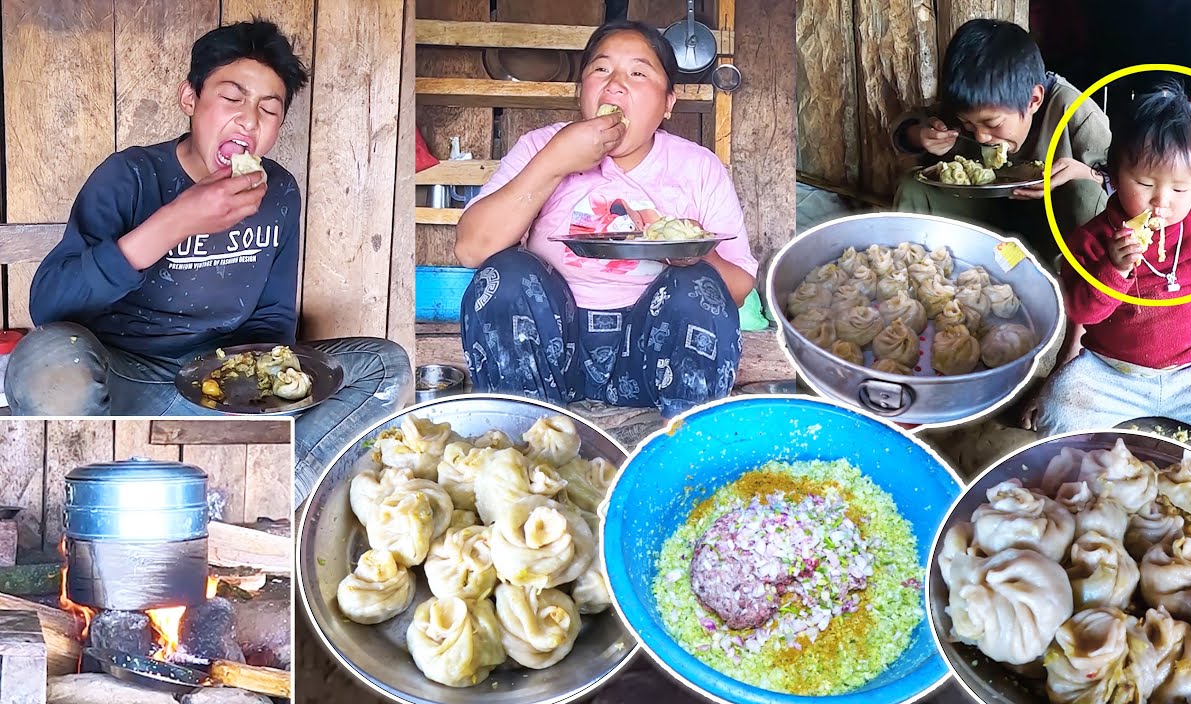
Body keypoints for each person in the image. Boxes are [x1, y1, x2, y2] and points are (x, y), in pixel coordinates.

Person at [4, 20, 412, 505]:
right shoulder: (130, 176)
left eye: (269, 108)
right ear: (190, 99)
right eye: (232, 98)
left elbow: (272, 315)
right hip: (122, 379)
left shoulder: (277, 192)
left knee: (386, 366)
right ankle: (98, 488)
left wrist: (259, 391)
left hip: (223, 382)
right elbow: (49, 304)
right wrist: (177, 220)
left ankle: (292, 488)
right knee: (44, 364)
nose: (249, 121)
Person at [454, 20, 757, 419]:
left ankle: (683, 440)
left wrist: (687, 250)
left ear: (668, 102)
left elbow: (735, 288)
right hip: (552, 344)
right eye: (600, 69)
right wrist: (555, 162)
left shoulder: (696, 166)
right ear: (582, 91)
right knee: (506, 272)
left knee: (697, 282)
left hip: (652, 349)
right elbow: (472, 249)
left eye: (638, 72)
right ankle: (521, 429)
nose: (615, 84)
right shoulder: (541, 147)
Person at [1029, 80, 1191, 500]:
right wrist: (1113, 268)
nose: (1161, 201)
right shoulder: (1092, 240)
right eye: (1145, 183)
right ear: (1113, 175)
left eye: (1180, 189)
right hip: (1111, 373)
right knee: (1059, 408)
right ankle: (1069, 507)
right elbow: (1082, 312)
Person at [891, 18, 1110, 263]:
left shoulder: (1074, 110)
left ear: (1033, 100)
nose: (981, 136)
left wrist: (1085, 173)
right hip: (987, 221)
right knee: (914, 186)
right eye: (968, 125)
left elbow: (1126, 183)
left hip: (1053, 231)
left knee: (1086, 191)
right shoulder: (972, 104)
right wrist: (921, 136)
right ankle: (917, 273)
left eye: (993, 124)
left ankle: (1079, 288)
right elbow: (911, 124)